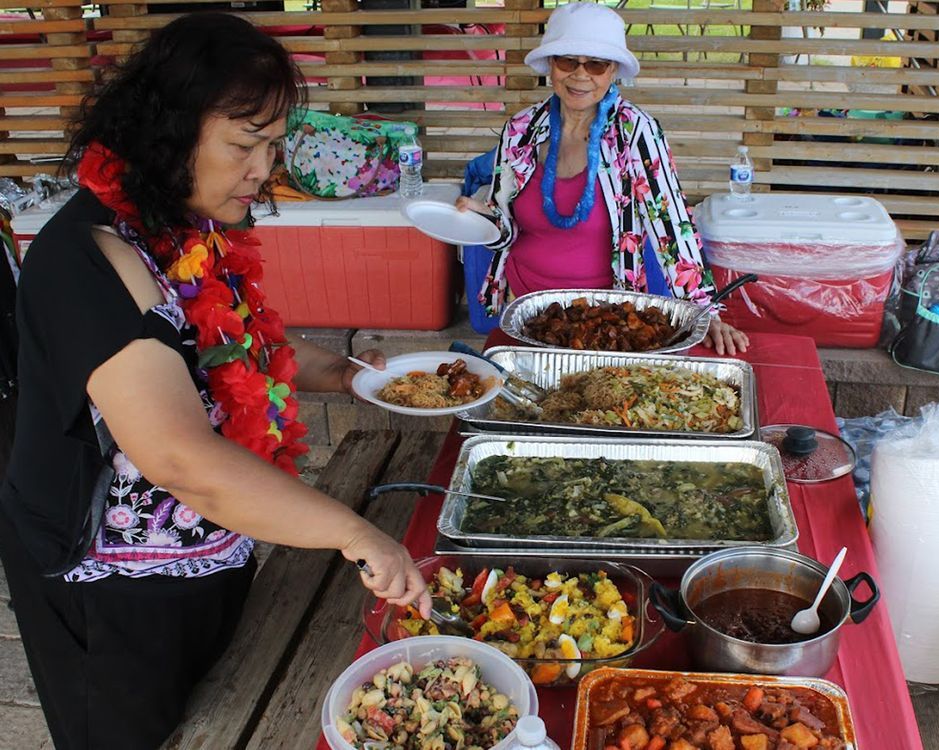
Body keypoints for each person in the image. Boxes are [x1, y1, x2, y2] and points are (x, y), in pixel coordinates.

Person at [0, 13, 429, 749]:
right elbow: (180, 458)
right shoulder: (83, 260)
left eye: (273, 145)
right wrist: (356, 535)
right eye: (244, 144)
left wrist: (345, 374)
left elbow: (230, 346)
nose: (264, 170)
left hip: (212, 553)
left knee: (221, 709)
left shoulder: (179, 223)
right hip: (115, 595)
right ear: (167, 129)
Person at [457, 2, 749, 355]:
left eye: (596, 64)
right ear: (551, 65)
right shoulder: (521, 130)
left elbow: (671, 224)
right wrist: (483, 218)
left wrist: (704, 312)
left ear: (613, 71)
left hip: (606, 319)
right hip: (528, 311)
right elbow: (506, 227)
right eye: (568, 61)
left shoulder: (636, 132)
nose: (581, 75)